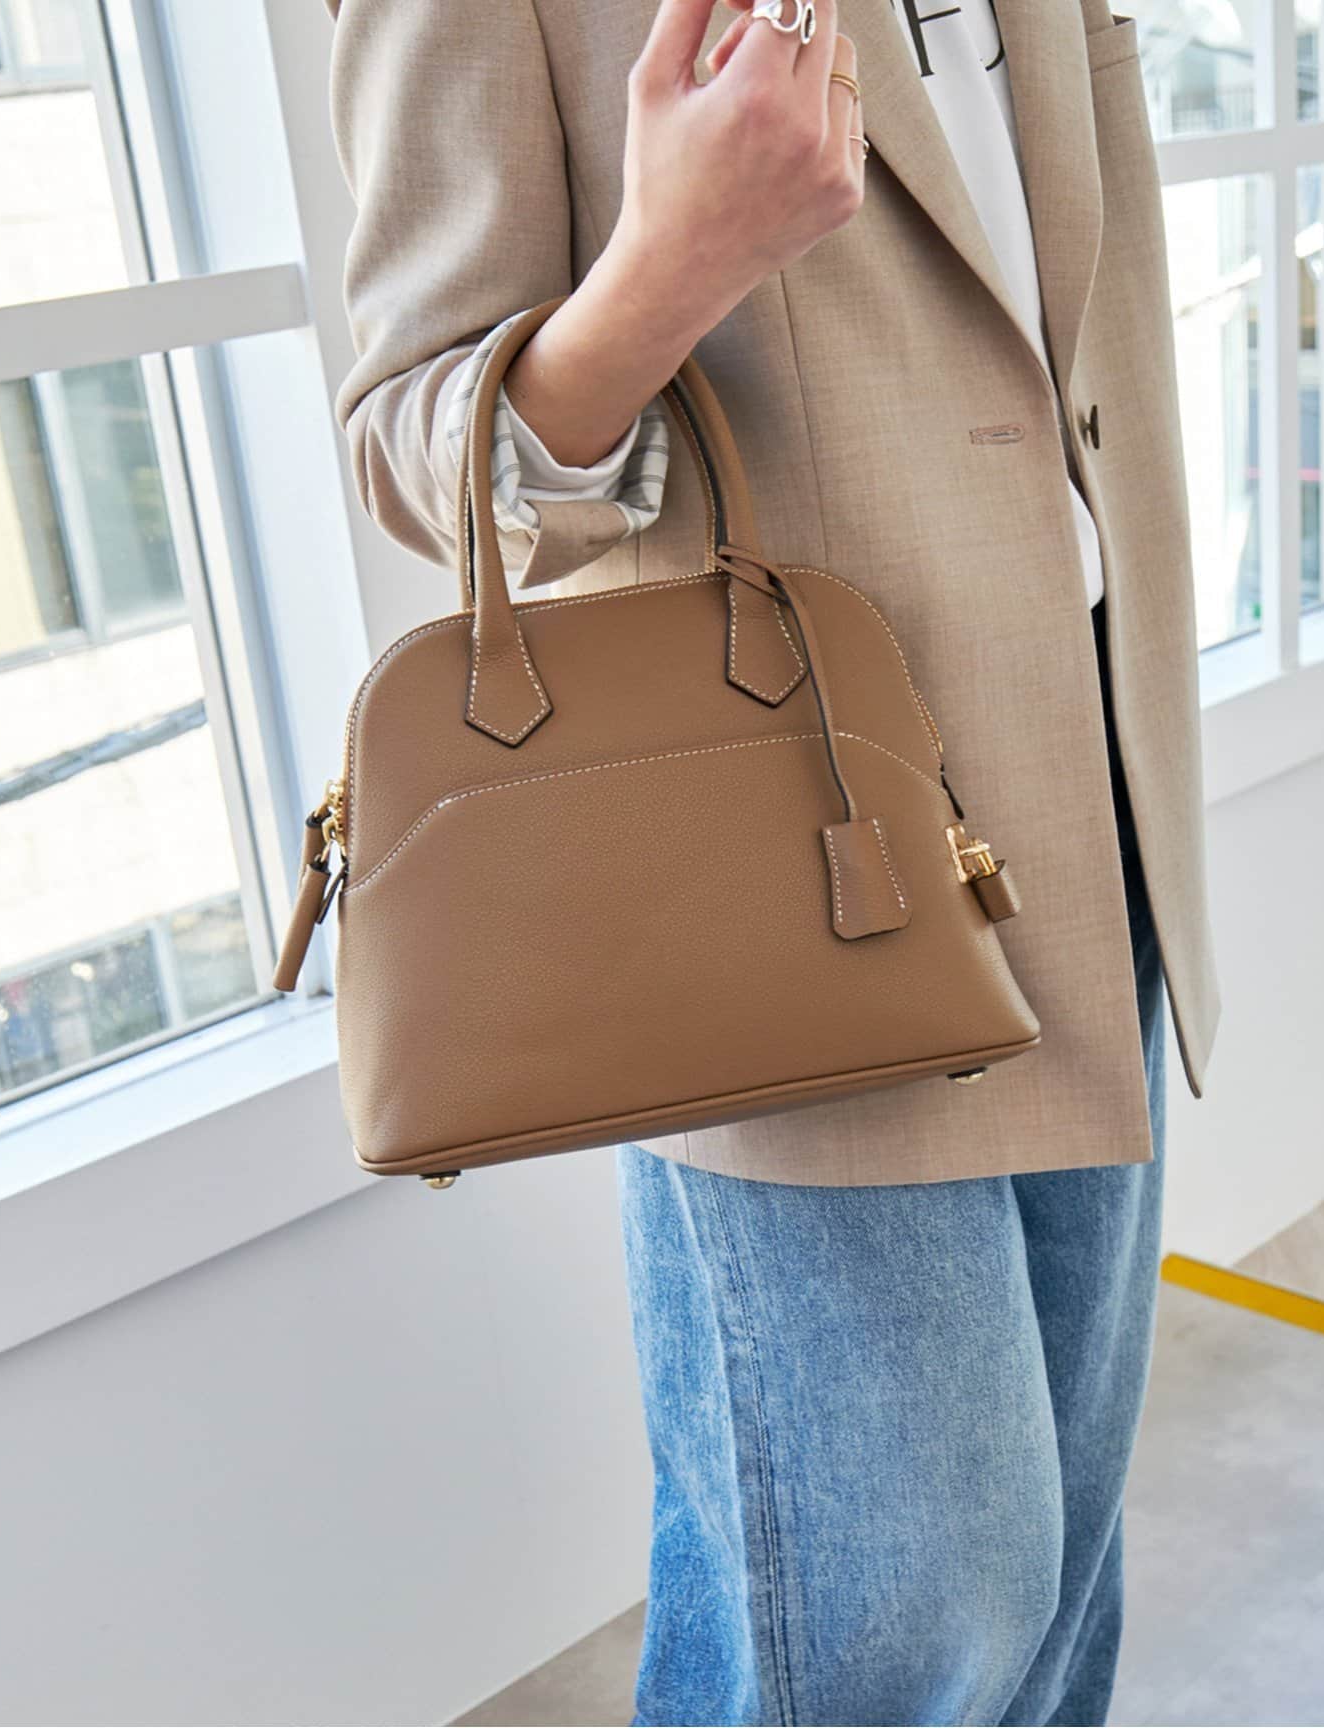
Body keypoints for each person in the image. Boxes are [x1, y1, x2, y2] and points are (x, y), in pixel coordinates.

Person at [323, 0, 1222, 1720]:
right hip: (785, 866)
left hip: (1101, 791)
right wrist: (670, 264)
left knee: (1054, 1600)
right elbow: (407, 441)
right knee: (892, 1624)